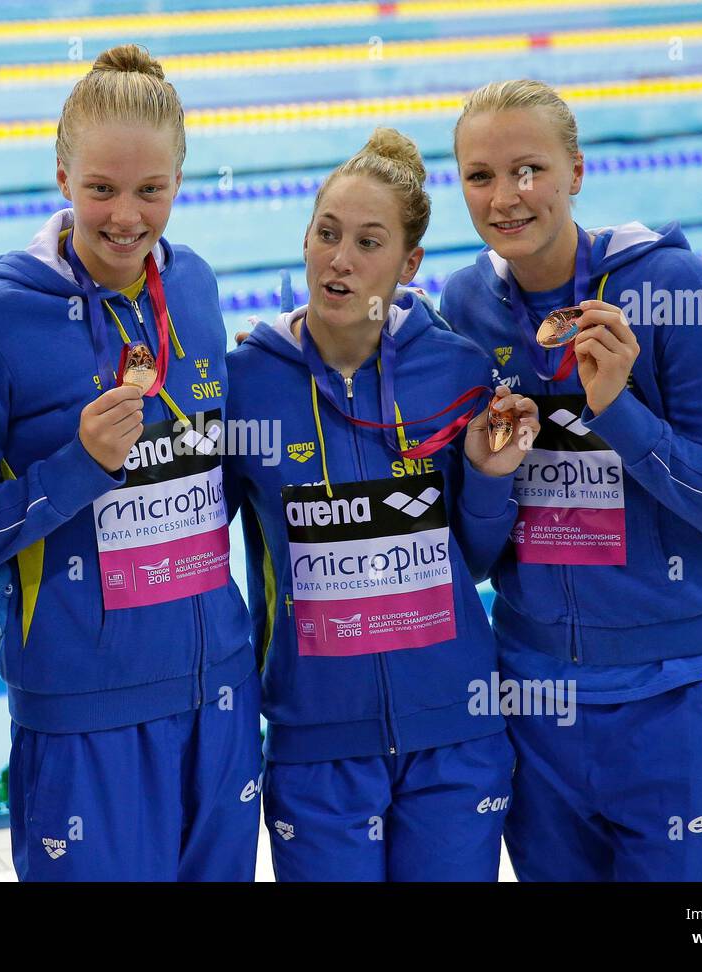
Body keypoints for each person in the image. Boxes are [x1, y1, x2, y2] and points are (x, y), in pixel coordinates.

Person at [0, 44, 260, 881]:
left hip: (217, 687)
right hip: (83, 706)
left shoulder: (198, 288)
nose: (126, 217)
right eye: (102, 189)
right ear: (62, 174)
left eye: (152, 191)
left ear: (179, 182)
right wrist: (77, 465)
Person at [442, 79, 702, 881]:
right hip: (538, 700)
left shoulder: (676, 292)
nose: (506, 196)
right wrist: (488, 474)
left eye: (529, 169)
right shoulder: (466, 309)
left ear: (575, 172)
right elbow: (476, 554)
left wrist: (618, 410)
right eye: (480, 176)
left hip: (676, 697)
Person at [226, 128, 539, 881]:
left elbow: (476, 558)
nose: (341, 258)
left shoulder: (455, 369)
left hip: (456, 736)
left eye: (369, 242)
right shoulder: (247, 384)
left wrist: (491, 477)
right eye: (327, 234)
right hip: (318, 742)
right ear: (304, 241)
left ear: (407, 265)